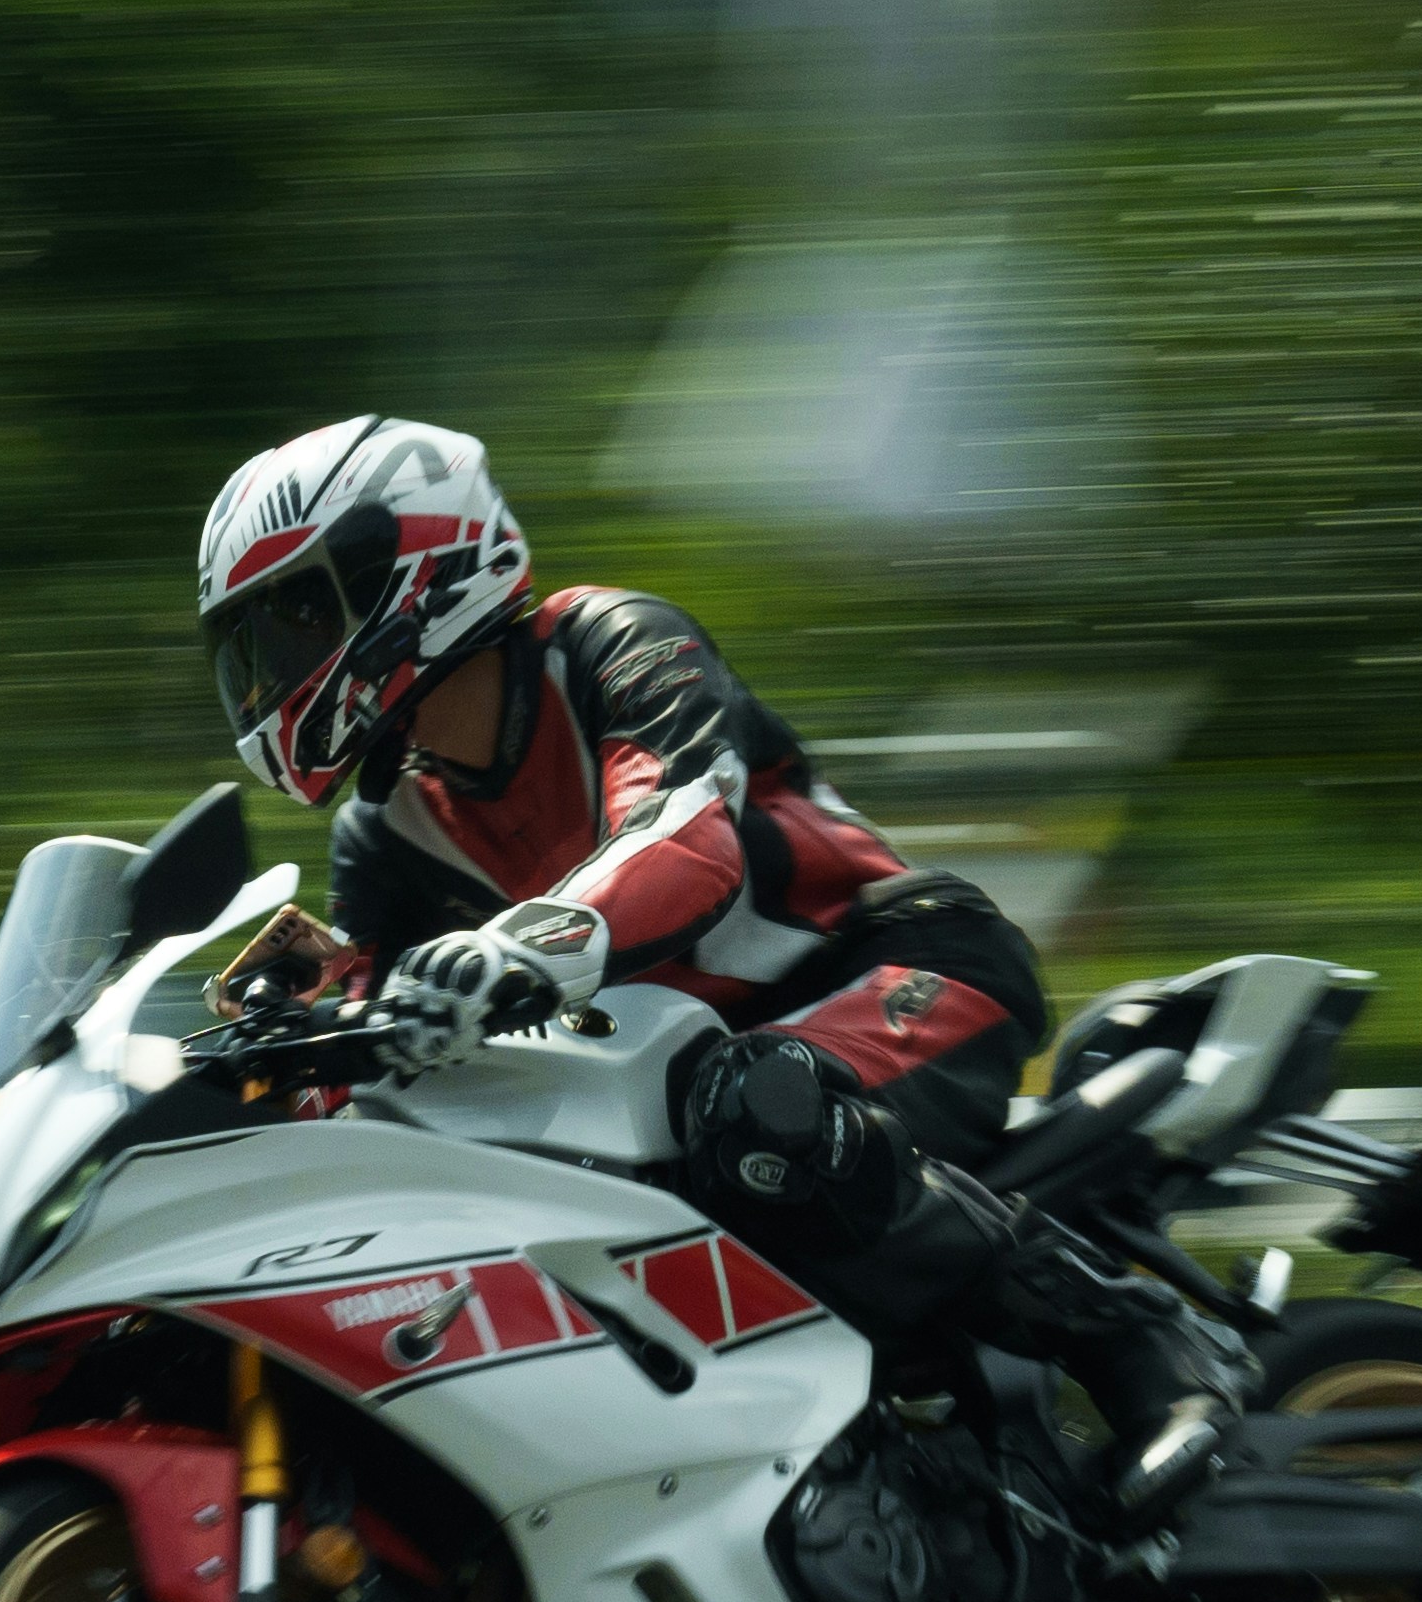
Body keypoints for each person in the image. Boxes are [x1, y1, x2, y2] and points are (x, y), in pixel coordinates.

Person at [195, 415, 1192, 1388]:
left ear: (407, 572)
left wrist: (521, 947)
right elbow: (384, 1022)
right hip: (690, 1057)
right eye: (255, 645)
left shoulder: (609, 644)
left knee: (752, 1109)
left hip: (902, 964)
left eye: (296, 620)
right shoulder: (386, 825)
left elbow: (685, 834)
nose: (273, 672)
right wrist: (270, 1060)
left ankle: (1133, 1341)